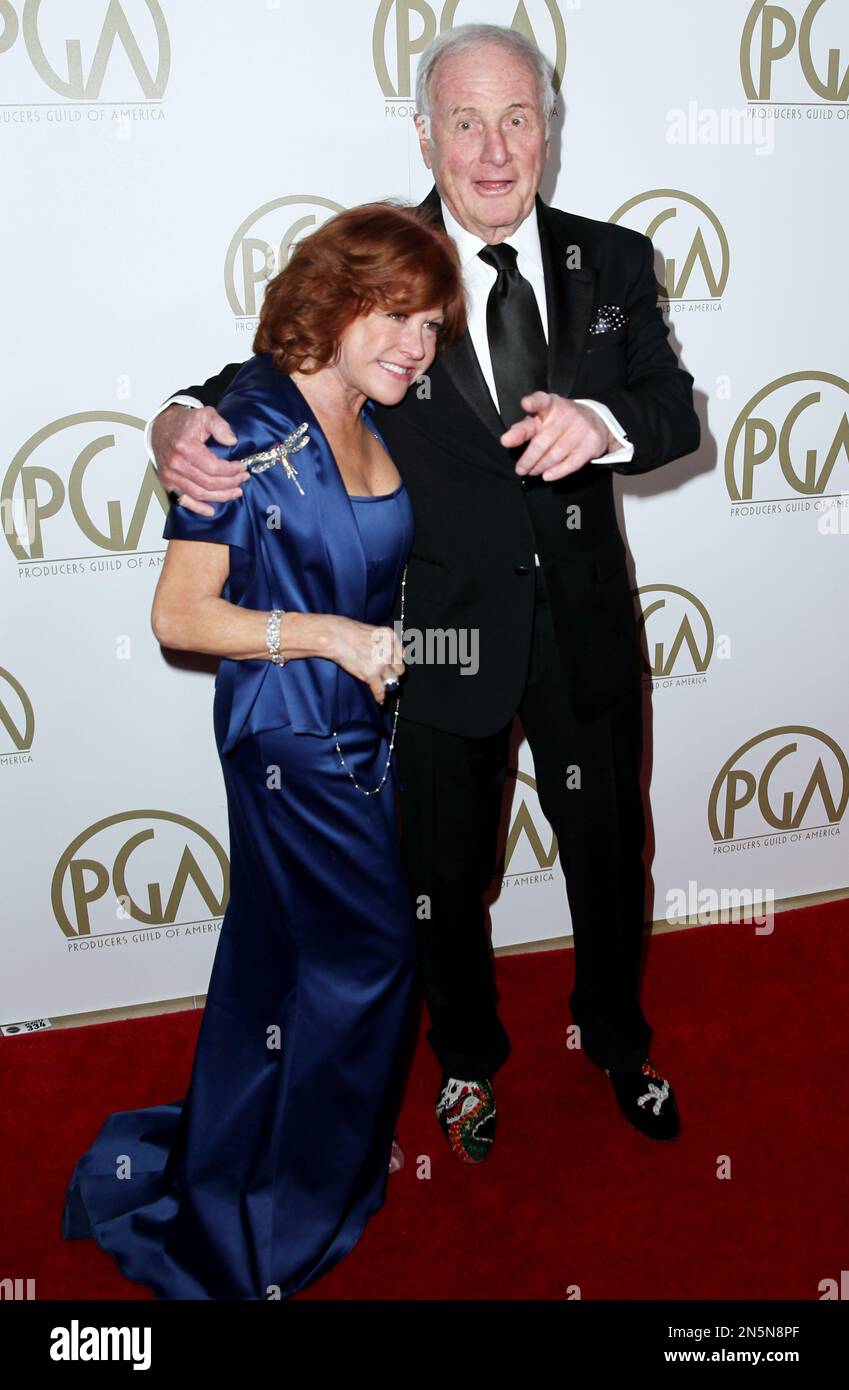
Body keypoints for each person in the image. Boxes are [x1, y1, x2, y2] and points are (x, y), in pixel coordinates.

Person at [151, 25, 701, 1165]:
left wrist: (600, 423)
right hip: (438, 639)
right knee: (444, 880)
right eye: (465, 122)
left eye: (518, 120)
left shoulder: (614, 260)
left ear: (549, 130)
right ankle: (466, 1062)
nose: (494, 152)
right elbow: (260, 372)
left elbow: (673, 410)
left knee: (608, 856)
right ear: (424, 135)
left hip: (586, 626)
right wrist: (171, 420)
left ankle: (617, 1036)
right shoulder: (390, 268)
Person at [60, 202, 467, 1299]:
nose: (414, 346)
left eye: (430, 324)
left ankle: (239, 1165)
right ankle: (284, 1215)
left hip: (353, 736)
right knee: (371, 960)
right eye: (394, 315)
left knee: (277, 960)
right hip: (289, 735)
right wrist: (326, 634)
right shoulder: (247, 424)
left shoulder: (372, 414)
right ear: (334, 299)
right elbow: (180, 616)